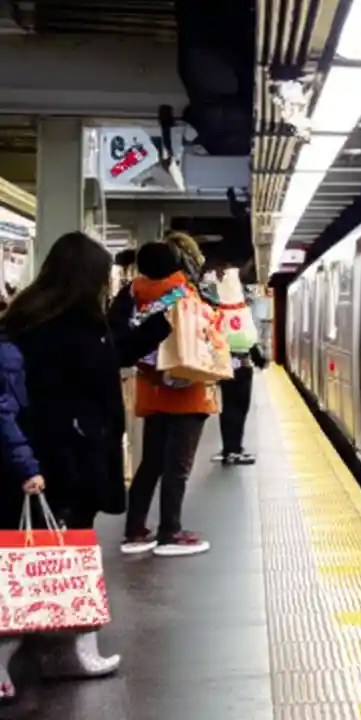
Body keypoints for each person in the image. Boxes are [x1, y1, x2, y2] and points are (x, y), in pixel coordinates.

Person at [0, 231, 173, 695]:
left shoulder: (32, 318)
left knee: (41, 554)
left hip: (49, 456)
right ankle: (65, 649)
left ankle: (51, 646)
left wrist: (154, 329)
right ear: (86, 279)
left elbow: (107, 356)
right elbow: (83, 380)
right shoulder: (70, 327)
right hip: (64, 458)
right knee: (64, 553)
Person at [112, 237, 216, 556]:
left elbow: (119, 337)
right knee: (178, 466)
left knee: (151, 463)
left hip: (151, 389)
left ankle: (135, 530)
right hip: (187, 388)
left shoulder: (131, 294)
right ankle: (170, 531)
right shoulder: (183, 294)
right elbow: (206, 336)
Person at [208, 263, 267, 465]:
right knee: (238, 408)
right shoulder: (239, 313)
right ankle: (234, 450)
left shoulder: (219, 311)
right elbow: (248, 339)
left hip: (224, 362)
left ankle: (229, 449)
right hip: (241, 365)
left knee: (229, 408)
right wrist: (258, 357)